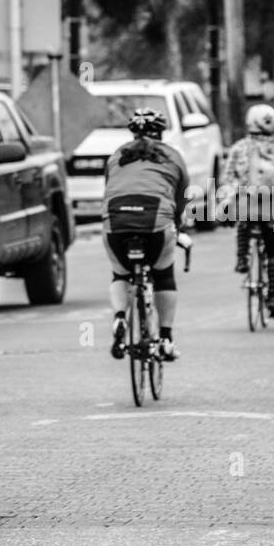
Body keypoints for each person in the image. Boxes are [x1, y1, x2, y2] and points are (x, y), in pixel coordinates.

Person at [103, 108, 192, 361]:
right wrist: (178, 226)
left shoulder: (116, 156)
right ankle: (165, 337)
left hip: (115, 221)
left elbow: (109, 189)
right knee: (163, 276)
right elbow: (182, 196)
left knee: (120, 274)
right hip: (156, 222)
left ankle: (120, 317)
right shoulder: (172, 156)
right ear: (161, 133)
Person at [222, 104, 274, 318]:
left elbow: (228, 177)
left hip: (246, 203)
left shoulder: (239, 147)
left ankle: (242, 256)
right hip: (272, 204)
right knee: (273, 252)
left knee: (243, 217)